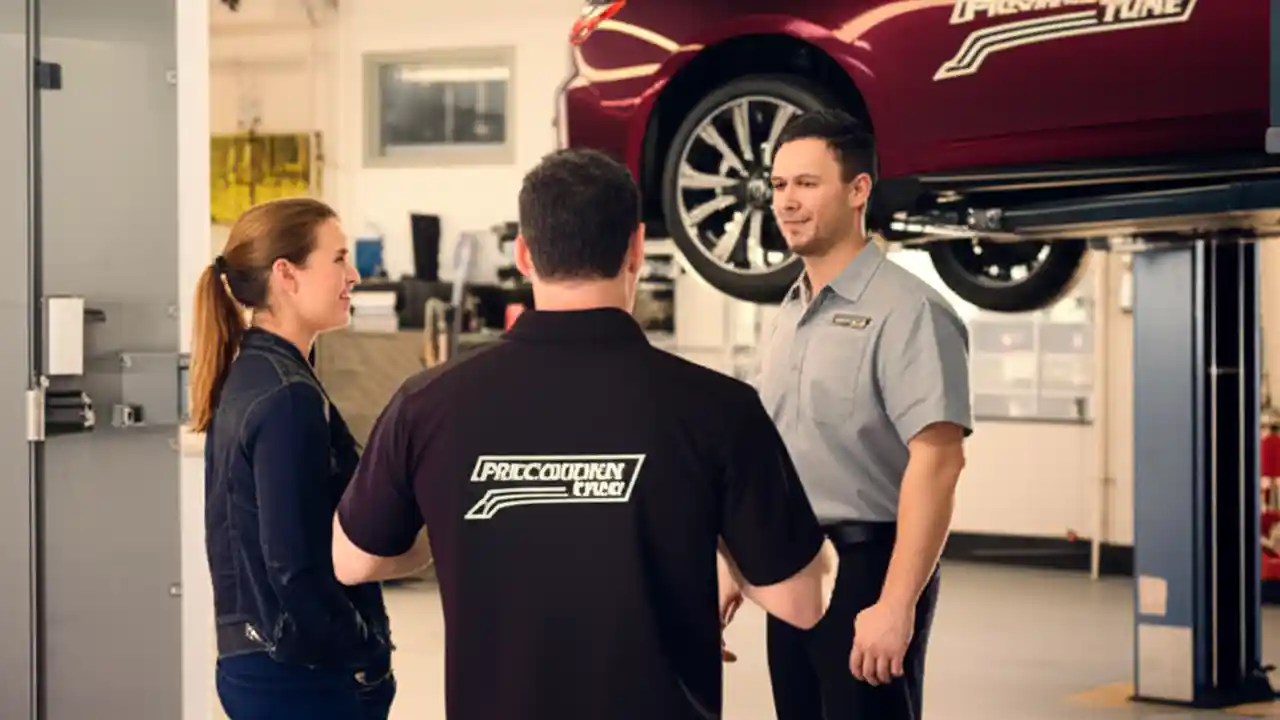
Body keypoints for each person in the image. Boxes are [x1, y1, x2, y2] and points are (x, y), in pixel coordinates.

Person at [330, 148, 841, 720]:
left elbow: (355, 560)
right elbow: (802, 600)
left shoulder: (426, 405)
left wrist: (450, 535)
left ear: (524, 255)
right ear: (636, 250)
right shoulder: (718, 409)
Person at [729, 109, 973, 719]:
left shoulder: (910, 311)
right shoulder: (788, 314)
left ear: (858, 189)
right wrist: (739, 569)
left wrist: (896, 604)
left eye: (806, 184)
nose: (785, 201)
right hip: (796, 563)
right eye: (779, 186)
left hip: (872, 565)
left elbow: (939, 462)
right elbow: (779, 455)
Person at [190, 197, 397, 719]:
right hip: (299, 676)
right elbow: (294, 565)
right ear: (287, 274)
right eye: (338, 259)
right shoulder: (286, 396)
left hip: (265, 662)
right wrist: (365, 651)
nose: (353, 274)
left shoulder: (258, 374)